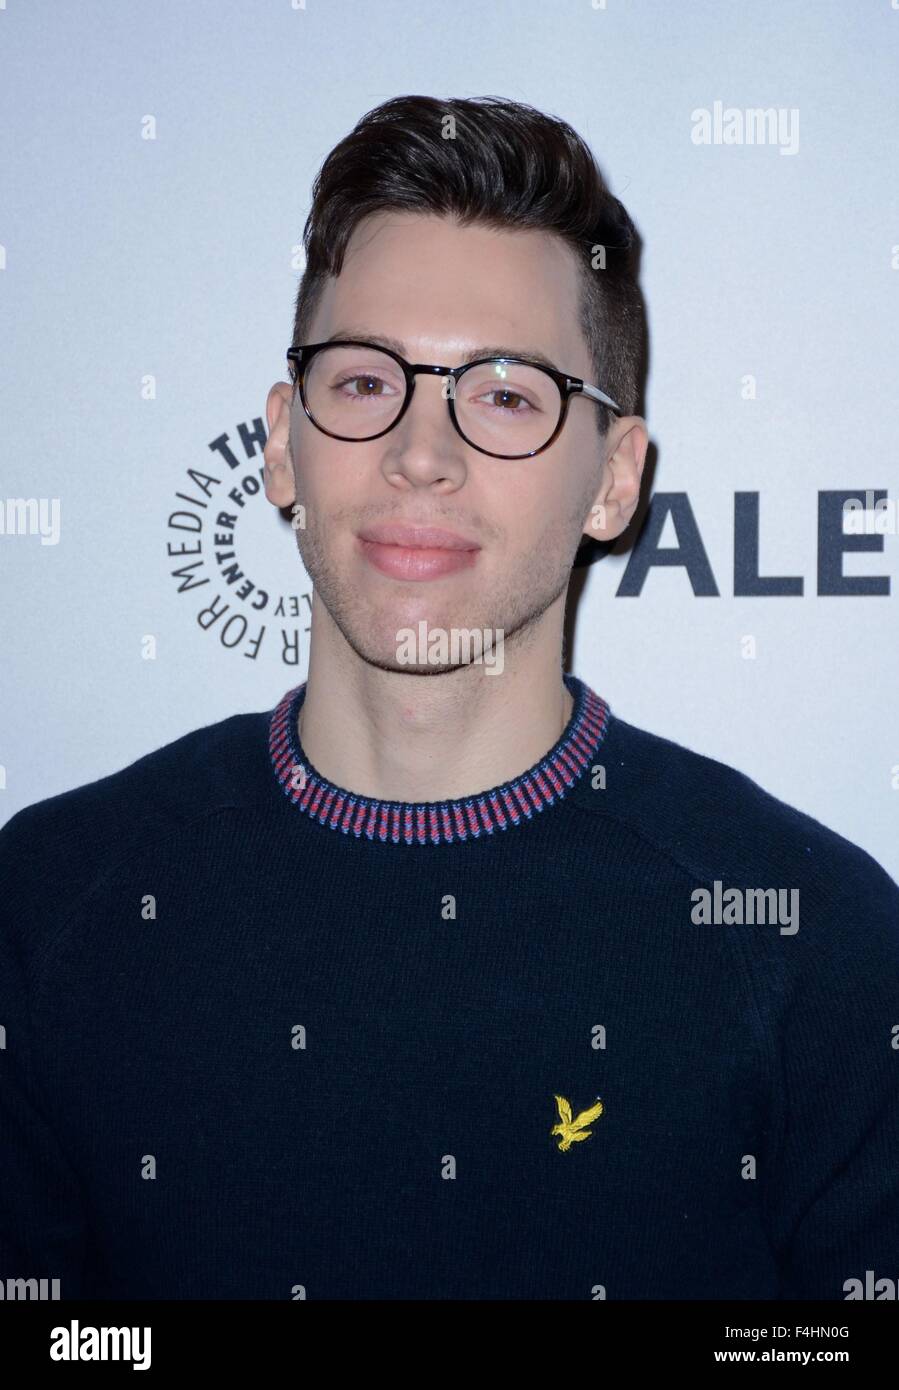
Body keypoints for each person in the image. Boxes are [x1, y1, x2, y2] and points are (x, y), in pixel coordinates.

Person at [1, 94, 897, 1301]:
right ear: (281, 442)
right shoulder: (51, 905)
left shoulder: (814, 938)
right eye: (366, 381)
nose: (421, 452)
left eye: (506, 393)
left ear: (614, 479)